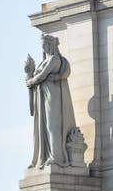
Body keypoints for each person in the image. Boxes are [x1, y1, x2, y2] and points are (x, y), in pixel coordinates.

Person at [25, 34, 77, 168]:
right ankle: (44, 156)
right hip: (42, 97)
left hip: (52, 97)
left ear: (50, 45)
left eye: (45, 45)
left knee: (52, 126)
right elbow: (36, 78)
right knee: (43, 127)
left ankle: (56, 156)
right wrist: (29, 72)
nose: (43, 48)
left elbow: (41, 77)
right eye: (42, 45)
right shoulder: (44, 61)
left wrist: (30, 80)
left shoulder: (54, 59)